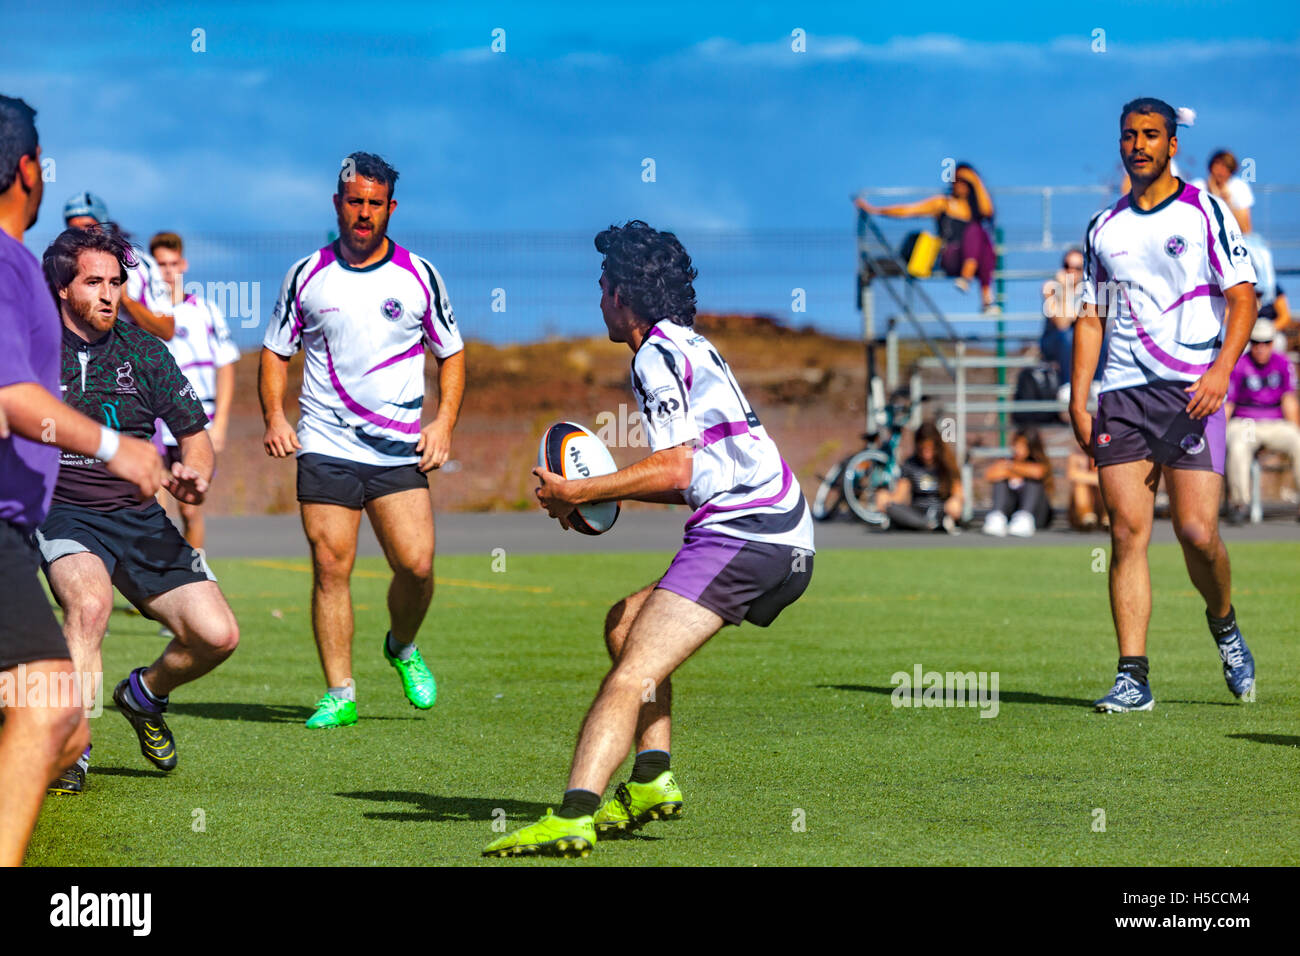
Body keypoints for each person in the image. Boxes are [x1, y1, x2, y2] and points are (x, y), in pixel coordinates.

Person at [484, 221, 814, 859]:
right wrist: (602, 492)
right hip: (780, 532)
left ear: (625, 295)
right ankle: (651, 779)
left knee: (632, 670)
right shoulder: (689, 344)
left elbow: (679, 468)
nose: (599, 299)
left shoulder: (654, 356)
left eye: (604, 286)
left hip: (749, 532)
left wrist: (578, 492)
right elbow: (698, 475)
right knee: (625, 622)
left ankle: (574, 812)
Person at [0, 94, 162, 863]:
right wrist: (116, 448)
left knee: (61, 721)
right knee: (55, 705)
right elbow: (14, 398)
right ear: (28, 169)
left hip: (14, 529)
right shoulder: (5, 263)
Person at [260, 152, 465, 729]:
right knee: (331, 566)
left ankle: (401, 646)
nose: (364, 213)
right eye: (355, 201)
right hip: (325, 443)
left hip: (399, 448)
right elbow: (276, 351)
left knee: (418, 566)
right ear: (337, 203)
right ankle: (340, 692)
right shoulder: (306, 275)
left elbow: (451, 355)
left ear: (391, 208)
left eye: (376, 204)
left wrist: (443, 423)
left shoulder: (420, 275)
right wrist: (275, 417)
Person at [34, 228, 240, 794]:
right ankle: (73, 749)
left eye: (117, 282)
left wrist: (197, 475)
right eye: (93, 282)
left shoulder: (145, 353)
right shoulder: (32, 346)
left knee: (217, 636)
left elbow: (193, 436)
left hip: (140, 516)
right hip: (63, 510)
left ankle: (143, 694)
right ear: (61, 289)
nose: (109, 294)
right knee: (91, 604)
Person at [1071, 96, 1258, 714]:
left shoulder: (1205, 211)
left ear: (1173, 144)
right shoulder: (1103, 228)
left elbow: (1243, 299)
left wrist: (1220, 374)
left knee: (1198, 533)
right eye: (1130, 135)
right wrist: (1080, 396)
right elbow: (1091, 316)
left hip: (1192, 395)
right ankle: (1133, 676)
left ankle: (1225, 624)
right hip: (1121, 395)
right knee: (1126, 533)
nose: (1140, 145)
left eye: (1152, 135)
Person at [149, 231, 239, 551]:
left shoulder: (206, 310)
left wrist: (221, 425)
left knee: (190, 508)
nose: (168, 271)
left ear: (184, 264)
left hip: (197, 422)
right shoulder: (145, 316)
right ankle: (154, 591)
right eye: (160, 264)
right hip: (156, 424)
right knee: (154, 508)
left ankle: (195, 579)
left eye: (173, 263)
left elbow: (226, 366)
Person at [855, 163, 999, 313]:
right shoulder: (943, 203)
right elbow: (908, 210)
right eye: (956, 179)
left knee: (980, 235)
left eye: (964, 181)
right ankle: (982, 292)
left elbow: (988, 211)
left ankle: (977, 288)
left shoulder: (975, 211)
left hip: (973, 262)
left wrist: (975, 179)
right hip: (950, 256)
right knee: (978, 231)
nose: (959, 184)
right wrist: (875, 210)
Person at [63, 191, 174, 340]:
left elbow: (167, 330)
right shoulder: (63, 265)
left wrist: (125, 299)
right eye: (74, 230)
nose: (82, 234)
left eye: (88, 226)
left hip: (139, 358)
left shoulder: (140, 264)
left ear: (103, 225)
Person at [1225, 319, 1300, 522]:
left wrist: (1295, 430)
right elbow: (1228, 404)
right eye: (1256, 342)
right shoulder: (1239, 364)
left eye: (1266, 342)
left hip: (1274, 422)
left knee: (1298, 441)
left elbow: (1289, 401)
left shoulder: (1283, 363)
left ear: (1272, 343)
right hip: (1245, 422)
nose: (1260, 347)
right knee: (1238, 445)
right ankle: (1239, 503)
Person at [873, 421, 963, 533]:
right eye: (923, 449)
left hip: (940, 511)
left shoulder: (947, 464)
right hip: (917, 511)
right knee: (893, 508)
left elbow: (958, 494)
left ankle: (925, 524)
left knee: (954, 507)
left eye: (930, 449)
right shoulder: (910, 465)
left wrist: (955, 501)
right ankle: (928, 524)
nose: (926, 454)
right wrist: (886, 499)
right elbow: (900, 495)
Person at [981, 428, 1052, 537]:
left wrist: (1010, 468)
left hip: (1036, 514)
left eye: (1021, 446)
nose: (1016, 449)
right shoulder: (1007, 460)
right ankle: (997, 516)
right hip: (1012, 512)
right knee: (1000, 481)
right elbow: (990, 475)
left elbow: (1038, 472)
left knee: (1032, 481)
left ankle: (1025, 517)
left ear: (1031, 447)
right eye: (1015, 445)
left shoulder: (1040, 463)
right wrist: (1016, 472)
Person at [1192, 149, 1254, 235]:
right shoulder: (1197, 186)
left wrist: (1227, 203)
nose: (1220, 171)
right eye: (1217, 165)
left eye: (1225, 167)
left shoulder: (1239, 188)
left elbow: (1245, 229)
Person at [1066, 450, 1108, 531]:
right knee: (1080, 486)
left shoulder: (1108, 454)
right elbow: (1072, 475)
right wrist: (1097, 479)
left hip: (1100, 502)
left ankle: (1107, 517)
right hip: (1082, 505)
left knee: (1106, 485)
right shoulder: (1077, 456)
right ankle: (1086, 516)